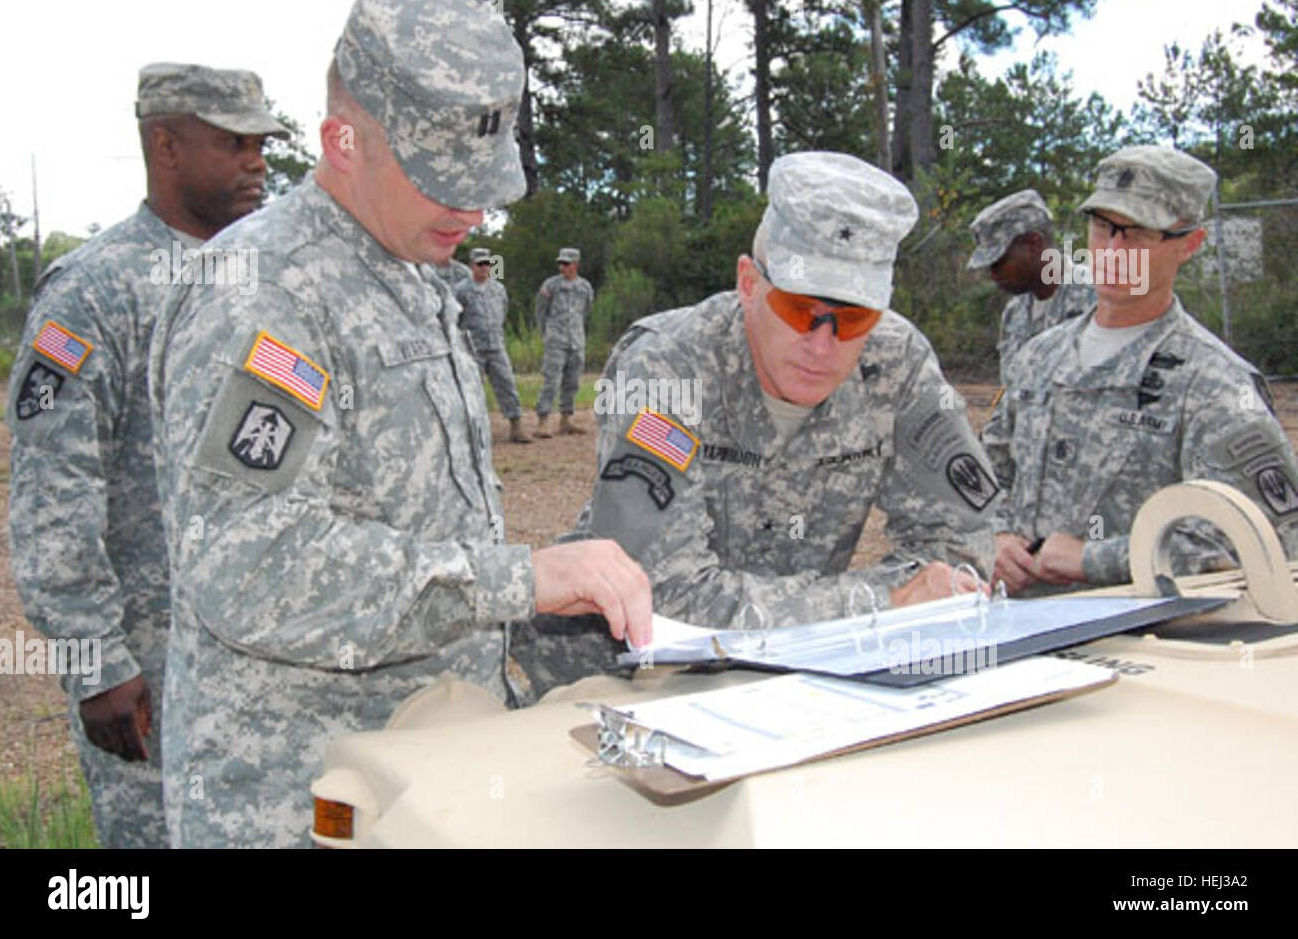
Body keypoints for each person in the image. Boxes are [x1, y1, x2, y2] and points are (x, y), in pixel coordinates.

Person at [147, 0, 651, 848]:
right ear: (342, 141)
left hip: (417, 780)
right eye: (439, 176)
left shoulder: (409, 266)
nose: (472, 205)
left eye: (483, 177)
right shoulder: (268, 293)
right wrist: (518, 579)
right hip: (295, 802)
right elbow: (248, 567)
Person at [512, 152, 998, 697]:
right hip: (625, 678)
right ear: (748, 282)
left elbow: (963, 543)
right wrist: (880, 603)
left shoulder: (897, 363)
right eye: (797, 310)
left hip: (804, 680)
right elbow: (667, 594)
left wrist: (906, 599)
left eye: (854, 318)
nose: (822, 344)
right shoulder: (666, 366)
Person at [6, 62, 288, 848]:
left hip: (269, 654)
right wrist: (97, 661)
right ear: (166, 145)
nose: (257, 161)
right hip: (152, 669)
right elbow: (52, 496)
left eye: (261, 142)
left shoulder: (266, 278)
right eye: (234, 143)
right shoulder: (93, 291)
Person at [982, 145, 1298, 595]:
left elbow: (1259, 536)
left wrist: (1094, 559)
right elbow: (986, 478)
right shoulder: (1038, 359)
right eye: (1102, 226)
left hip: (1141, 648)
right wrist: (993, 537)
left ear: (1189, 244)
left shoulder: (1213, 383)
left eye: (1138, 234)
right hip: (1021, 634)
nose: (1112, 250)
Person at [967, 189, 1096, 387]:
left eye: (1000, 261)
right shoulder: (1014, 313)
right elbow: (1010, 396)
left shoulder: (1096, 299)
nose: (993, 274)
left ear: (1034, 243)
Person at [454, 247, 530, 443]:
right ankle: (474, 431)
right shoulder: (460, 290)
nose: (484, 267)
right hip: (472, 349)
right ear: (471, 265)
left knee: (507, 384)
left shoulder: (498, 289)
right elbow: (455, 319)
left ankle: (516, 427)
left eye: (487, 264)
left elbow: (502, 313)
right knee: (472, 389)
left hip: (496, 345)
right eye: (480, 264)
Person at [534, 246, 594, 437]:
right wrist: (547, 334)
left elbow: (585, 311)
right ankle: (542, 421)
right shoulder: (551, 286)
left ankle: (566, 420)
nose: (562, 267)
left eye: (566, 263)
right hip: (556, 340)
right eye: (560, 263)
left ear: (575, 265)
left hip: (576, 340)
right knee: (551, 380)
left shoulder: (584, 287)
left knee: (573, 381)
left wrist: (577, 332)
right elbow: (540, 312)